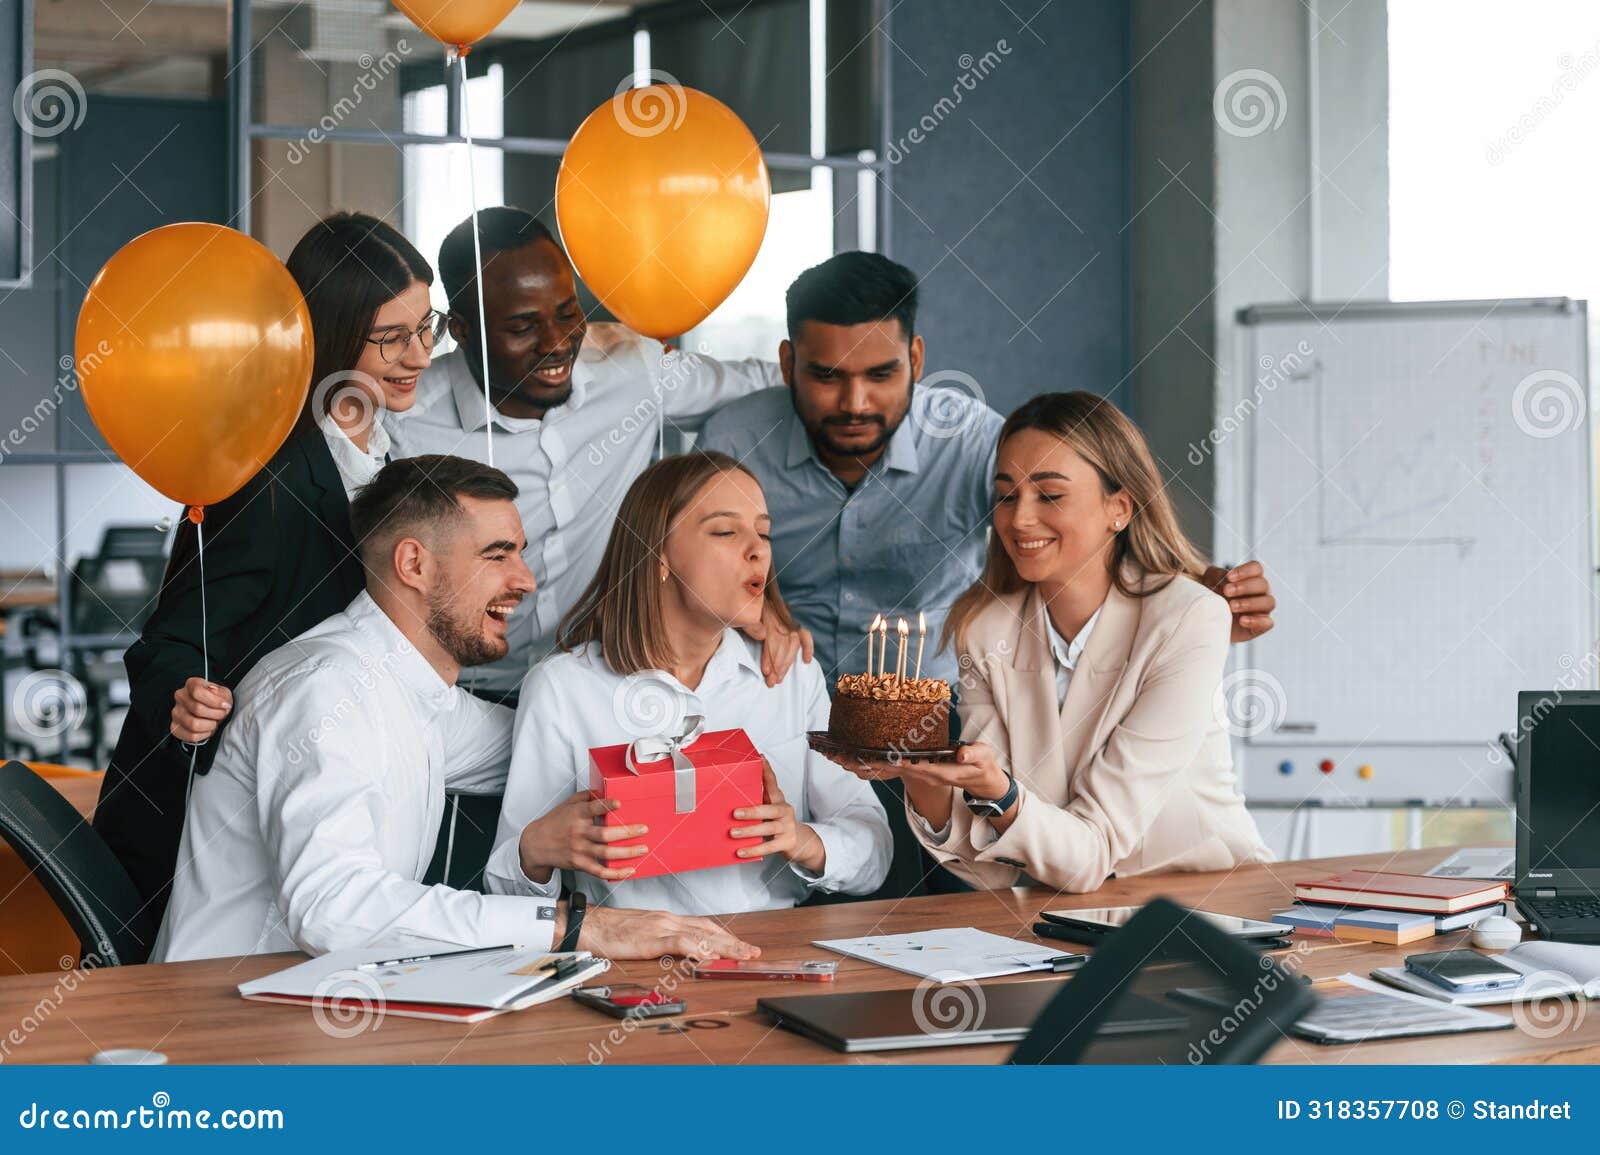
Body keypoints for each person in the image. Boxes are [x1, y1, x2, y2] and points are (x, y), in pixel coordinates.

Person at [155, 454, 760, 964]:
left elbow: (572, 741)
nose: (526, 580)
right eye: (497, 555)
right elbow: (331, 908)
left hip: (319, 1001)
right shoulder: (328, 689)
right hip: (224, 1023)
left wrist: (725, 634)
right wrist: (578, 929)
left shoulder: (424, 699)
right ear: (414, 564)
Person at [697, 250, 1278, 687]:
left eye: (880, 375)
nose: (855, 403)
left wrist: (1188, 587)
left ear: (916, 360)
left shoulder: (975, 440)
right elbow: (684, 573)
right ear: (787, 363)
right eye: (827, 376)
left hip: (939, 710)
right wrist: (750, 610)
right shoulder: (732, 442)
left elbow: (1074, 537)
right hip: (776, 699)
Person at [96, 211, 445, 930]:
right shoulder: (268, 475)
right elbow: (169, 639)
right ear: (333, 332)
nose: (419, 355)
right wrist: (182, 699)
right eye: (392, 338)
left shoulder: (386, 446)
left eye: (426, 326)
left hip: (312, 779)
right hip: (205, 817)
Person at [827, 392, 1272, 894]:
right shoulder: (985, 628)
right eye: (1007, 495)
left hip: (1210, 903)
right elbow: (990, 867)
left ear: (1119, 507)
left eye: (1050, 495)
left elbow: (1091, 851)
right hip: (1065, 913)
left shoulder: (1186, 619)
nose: (1019, 520)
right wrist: (919, 775)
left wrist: (1000, 794)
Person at [388, 207, 806, 706]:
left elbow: (774, 383)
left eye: (568, 313)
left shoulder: (629, 366)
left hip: (604, 692)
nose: (558, 343)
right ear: (461, 328)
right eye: (523, 326)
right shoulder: (405, 422)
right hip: (459, 699)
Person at [483, 451, 892, 915]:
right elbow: (508, 897)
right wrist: (535, 851)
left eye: (764, 532)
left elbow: (874, 852)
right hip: (630, 960)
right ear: (659, 553)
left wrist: (800, 839)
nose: (758, 549)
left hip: (777, 948)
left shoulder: (790, 674)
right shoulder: (562, 688)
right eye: (725, 531)